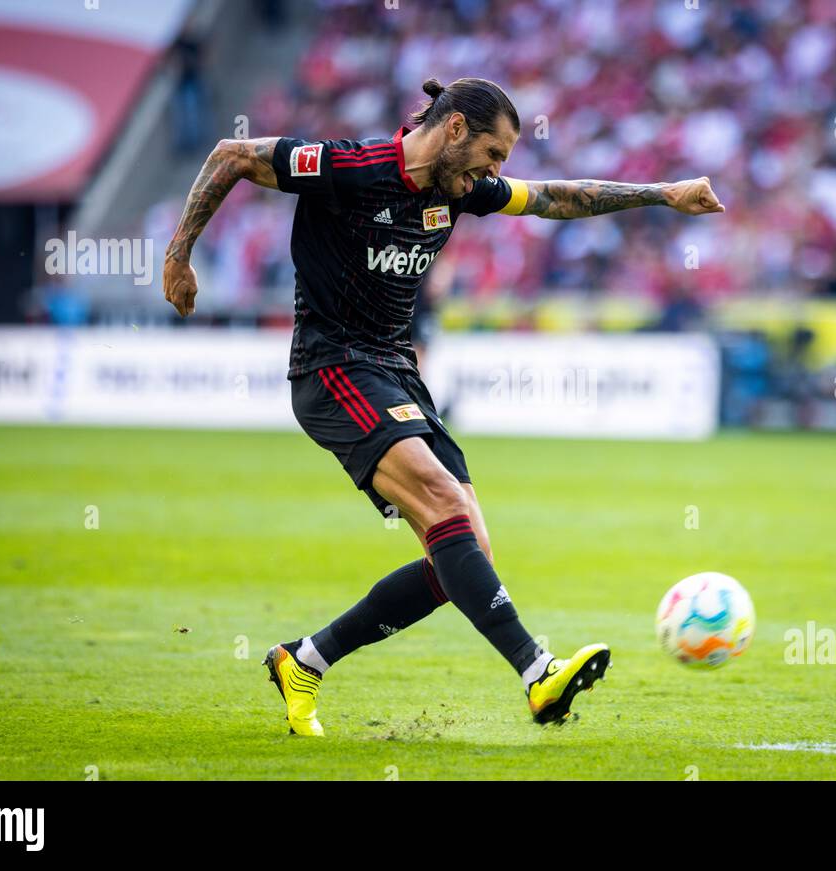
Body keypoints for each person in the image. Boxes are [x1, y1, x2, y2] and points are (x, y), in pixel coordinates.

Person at [162, 77, 725, 734]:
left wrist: (663, 194)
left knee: (460, 554)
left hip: (398, 376)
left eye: (503, 162)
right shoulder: (348, 168)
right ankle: (538, 672)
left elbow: (553, 198)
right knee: (443, 501)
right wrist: (179, 256)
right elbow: (232, 155)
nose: (496, 172)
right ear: (454, 128)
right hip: (331, 367)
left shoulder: (462, 193)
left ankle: (304, 659)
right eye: (493, 153)